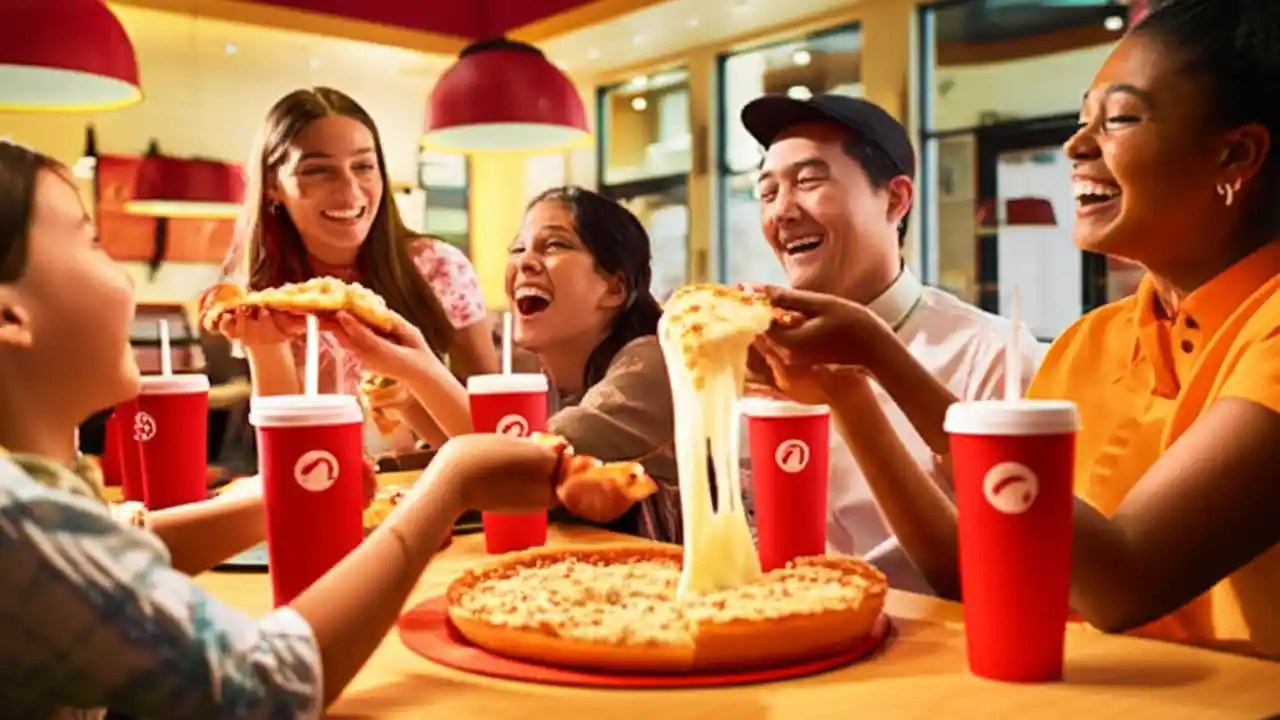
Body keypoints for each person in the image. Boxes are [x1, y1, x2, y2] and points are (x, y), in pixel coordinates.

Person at [757, 0, 1280, 658]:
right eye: (1082, 118)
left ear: (1237, 154)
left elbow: (1124, 580)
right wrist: (848, 392)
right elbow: (973, 571)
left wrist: (884, 359)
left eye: (1117, 119)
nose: (1076, 145)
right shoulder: (1091, 343)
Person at [0, 139, 584, 717]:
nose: (127, 280)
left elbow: (107, 549)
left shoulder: (38, 504)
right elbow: (264, 685)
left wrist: (279, 500)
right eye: (92, 241)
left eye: (364, 166)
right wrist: (445, 488)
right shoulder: (18, 523)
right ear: (9, 314)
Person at [738, 92, 1039, 593]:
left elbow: (1012, 568)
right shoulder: (756, 349)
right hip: (776, 631)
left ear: (896, 199)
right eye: (767, 193)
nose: (783, 212)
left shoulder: (992, 355)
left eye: (809, 181)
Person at [336, 186, 681, 541]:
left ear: (614, 289)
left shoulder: (654, 365)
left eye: (554, 245)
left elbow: (520, 465)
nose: (524, 262)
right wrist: (409, 400)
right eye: (518, 249)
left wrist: (419, 368)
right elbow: (475, 453)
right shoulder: (541, 375)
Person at [218, 87, 493, 452]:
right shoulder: (261, 293)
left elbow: (493, 432)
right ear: (273, 187)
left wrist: (409, 394)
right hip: (319, 482)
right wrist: (266, 347)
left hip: (430, 483)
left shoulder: (438, 267)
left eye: (363, 166)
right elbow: (291, 451)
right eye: (318, 170)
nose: (349, 191)